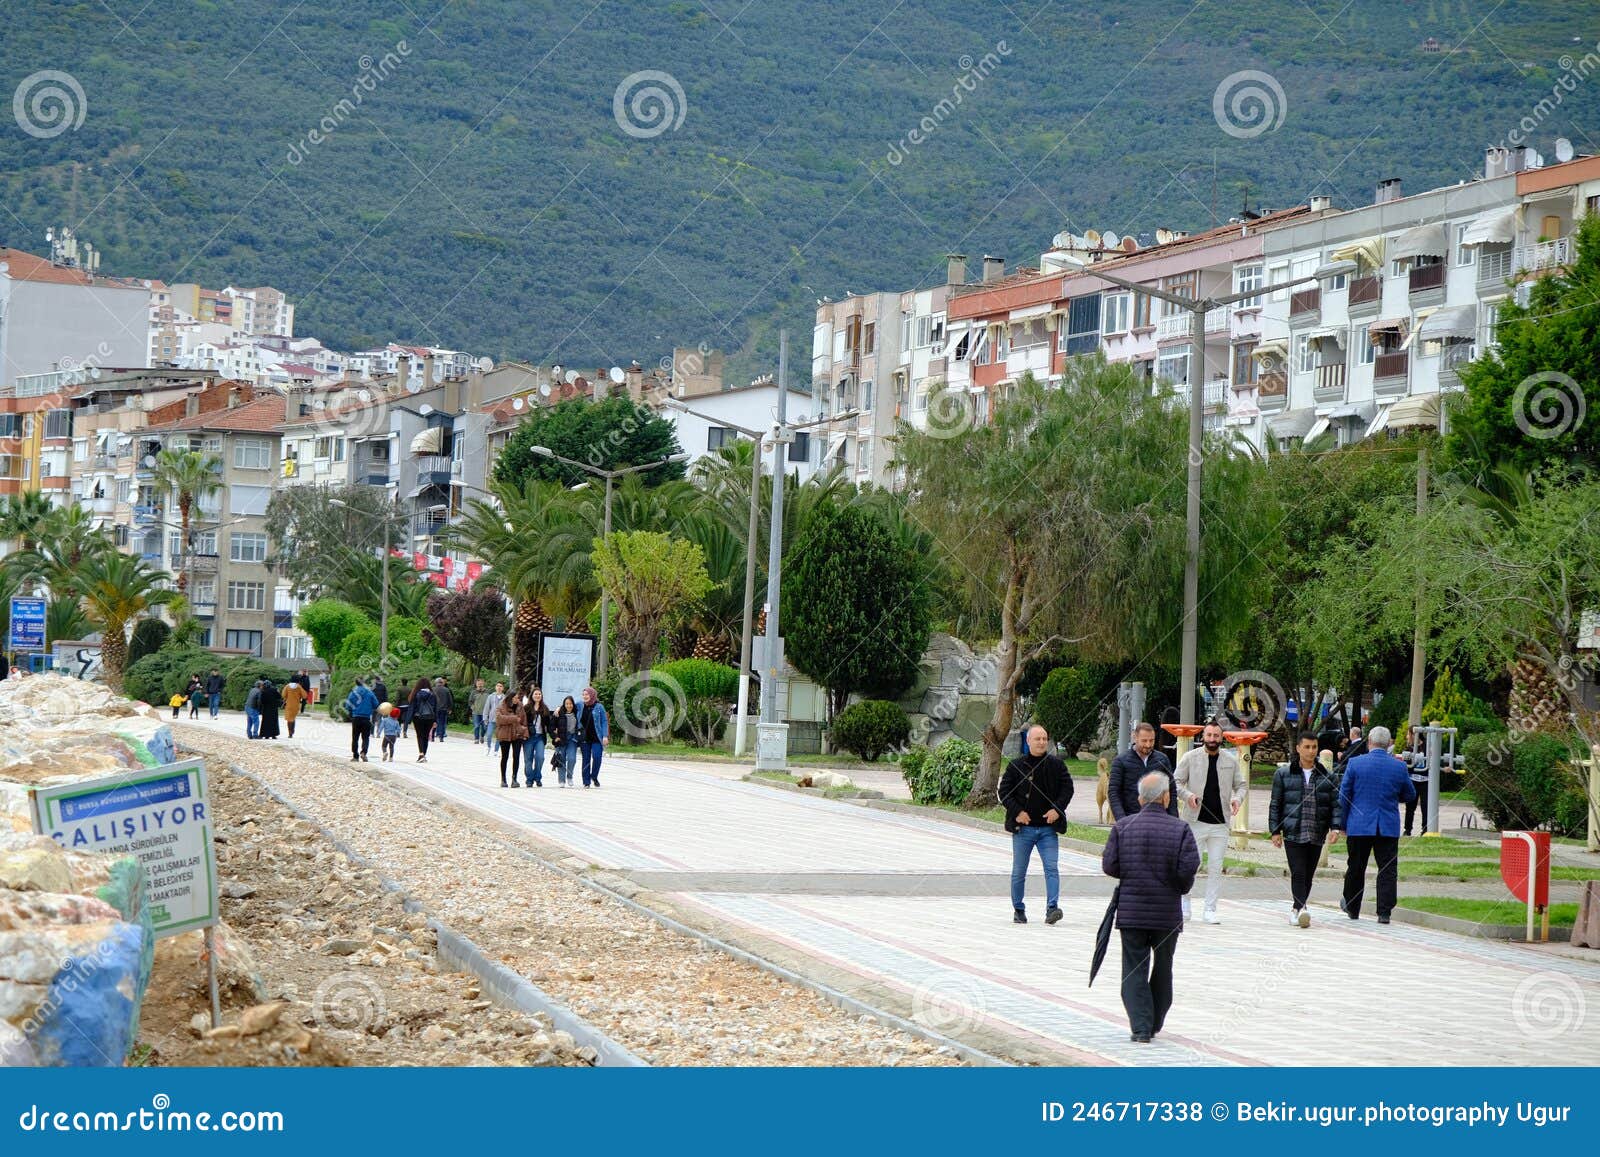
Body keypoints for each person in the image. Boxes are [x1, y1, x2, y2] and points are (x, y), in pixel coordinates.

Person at [1102, 772, 1200, 1043]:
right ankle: (1154, 1022)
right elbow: (1189, 865)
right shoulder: (1180, 829)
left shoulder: (1123, 827)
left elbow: (1110, 865)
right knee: (1163, 967)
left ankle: (1141, 1026)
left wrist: (1130, 874)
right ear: (1166, 797)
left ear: (1140, 799)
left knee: (1134, 967)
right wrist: (1179, 886)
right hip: (1166, 914)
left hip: (1132, 912)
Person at [1332, 724, 1415, 924]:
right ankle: (1384, 912)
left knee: (1356, 866)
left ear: (1369, 742)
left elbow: (1344, 796)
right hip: (1387, 826)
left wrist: (1341, 824)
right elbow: (1410, 794)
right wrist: (1394, 796)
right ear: (1388, 744)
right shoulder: (1399, 767)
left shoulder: (1355, 764)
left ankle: (1352, 907)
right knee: (1387, 869)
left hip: (1359, 825)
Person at [998, 724, 1074, 925]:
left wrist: (1057, 809)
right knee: (1019, 871)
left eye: (1044, 739)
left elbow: (1067, 789)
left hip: (1048, 829)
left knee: (1052, 868)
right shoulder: (1015, 766)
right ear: (1028, 741)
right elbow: (1004, 792)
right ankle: (1018, 909)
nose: (1041, 742)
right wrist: (1017, 812)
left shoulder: (1057, 765)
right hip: (1023, 829)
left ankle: (1052, 908)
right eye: (1037, 739)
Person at [1173, 721, 1246, 924]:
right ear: (1203, 737)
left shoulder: (1230, 760)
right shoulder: (1190, 757)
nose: (1212, 739)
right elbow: (1175, 782)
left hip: (1220, 823)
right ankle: (1184, 905)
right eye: (1209, 735)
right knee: (1190, 865)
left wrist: (1237, 799)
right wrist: (1187, 795)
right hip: (1194, 821)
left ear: (1222, 738)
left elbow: (1241, 785)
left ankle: (1210, 909)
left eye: (1216, 736)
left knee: (1215, 867)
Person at [1270, 731, 1340, 927]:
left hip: (1316, 830)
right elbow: (1275, 804)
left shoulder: (1328, 777)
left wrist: (1335, 828)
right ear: (1298, 748)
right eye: (1307, 747)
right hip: (1293, 830)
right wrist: (1275, 830)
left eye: (1314, 747)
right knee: (1298, 871)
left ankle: (1296, 909)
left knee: (1308, 874)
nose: (1311, 751)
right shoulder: (1283, 774)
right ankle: (1302, 908)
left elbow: (1335, 805)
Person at [1109, 722, 1177, 821]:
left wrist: (1173, 820)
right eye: (1144, 741)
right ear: (1135, 738)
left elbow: (1172, 790)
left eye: (1151, 741)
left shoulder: (1163, 759)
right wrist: (1121, 820)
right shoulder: (1120, 761)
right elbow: (1114, 793)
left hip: (1159, 819)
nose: (1148, 745)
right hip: (1130, 818)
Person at [495, 691, 528, 787]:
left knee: (516, 756)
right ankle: (503, 779)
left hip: (517, 734)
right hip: (504, 734)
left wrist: (524, 731)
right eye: (515, 698)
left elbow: (524, 720)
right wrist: (513, 718)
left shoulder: (520, 706)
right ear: (510, 698)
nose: (517, 700)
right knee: (504, 757)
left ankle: (514, 779)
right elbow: (499, 719)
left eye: (517, 698)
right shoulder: (501, 706)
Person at [578, 685, 609, 788]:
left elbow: (604, 721)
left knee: (597, 757)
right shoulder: (580, 705)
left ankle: (594, 776)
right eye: (583, 694)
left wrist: (605, 736)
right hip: (584, 738)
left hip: (597, 738)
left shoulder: (599, 707)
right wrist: (558, 708)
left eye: (587, 694)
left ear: (592, 695)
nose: (585, 696)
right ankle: (586, 782)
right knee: (586, 759)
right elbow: (568, 705)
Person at [522, 685, 552, 788]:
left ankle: (537, 776)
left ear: (541, 696)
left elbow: (549, 724)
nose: (537, 695)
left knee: (540, 757)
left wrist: (554, 736)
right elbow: (522, 721)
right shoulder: (526, 708)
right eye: (536, 694)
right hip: (528, 737)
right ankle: (529, 779)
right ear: (532, 695)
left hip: (540, 737)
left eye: (539, 694)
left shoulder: (545, 708)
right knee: (528, 759)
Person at [345, 676, 378, 762]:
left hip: (356, 718)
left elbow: (348, 705)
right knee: (365, 737)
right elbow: (376, 704)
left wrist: (351, 712)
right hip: (366, 718)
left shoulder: (353, 693)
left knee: (355, 738)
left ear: (356, 683)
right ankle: (364, 752)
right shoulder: (369, 692)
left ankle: (355, 756)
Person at [553, 695, 580, 787]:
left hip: (572, 739)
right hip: (561, 739)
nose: (569, 705)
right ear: (564, 704)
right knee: (561, 759)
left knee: (572, 759)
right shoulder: (558, 713)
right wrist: (555, 737)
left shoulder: (577, 713)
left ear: (573, 704)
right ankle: (561, 780)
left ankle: (569, 776)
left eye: (570, 703)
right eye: (567, 704)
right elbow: (551, 727)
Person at [410, 678, 439, 763]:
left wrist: (408, 719)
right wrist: (435, 720)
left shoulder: (416, 694)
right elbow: (435, 708)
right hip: (430, 717)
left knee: (419, 735)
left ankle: (421, 754)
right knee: (426, 736)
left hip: (418, 717)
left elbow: (413, 707)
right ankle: (424, 755)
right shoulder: (433, 694)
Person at [482, 681, 505, 754]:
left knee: (499, 736)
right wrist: (485, 718)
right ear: (495, 687)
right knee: (489, 735)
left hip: (500, 721)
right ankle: (488, 747)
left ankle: (496, 750)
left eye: (501, 686)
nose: (499, 687)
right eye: (498, 686)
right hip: (491, 720)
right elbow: (486, 708)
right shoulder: (491, 696)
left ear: (503, 688)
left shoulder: (505, 698)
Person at [470, 678, 490, 745]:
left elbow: (490, 701)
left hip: (485, 713)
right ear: (476, 684)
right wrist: (473, 707)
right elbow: (470, 701)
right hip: (476, 713)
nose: (480, 685)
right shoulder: (473, 692)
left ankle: (482, 736)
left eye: (481, 683)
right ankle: (476, 739)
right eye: (478, 683)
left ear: (483, 684)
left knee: (485, 727)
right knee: (476, 726)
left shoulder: (487, 692)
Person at [433, 676, 453, 742]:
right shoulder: (446, 690)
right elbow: (450, 700)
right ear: (442, 683)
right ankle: (441, 737)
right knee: (442, 723)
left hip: (435, 709)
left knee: (434, 722)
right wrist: (450, 708)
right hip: (444, 709)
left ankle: (433, 736)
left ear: (436, 683)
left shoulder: (433, 689)